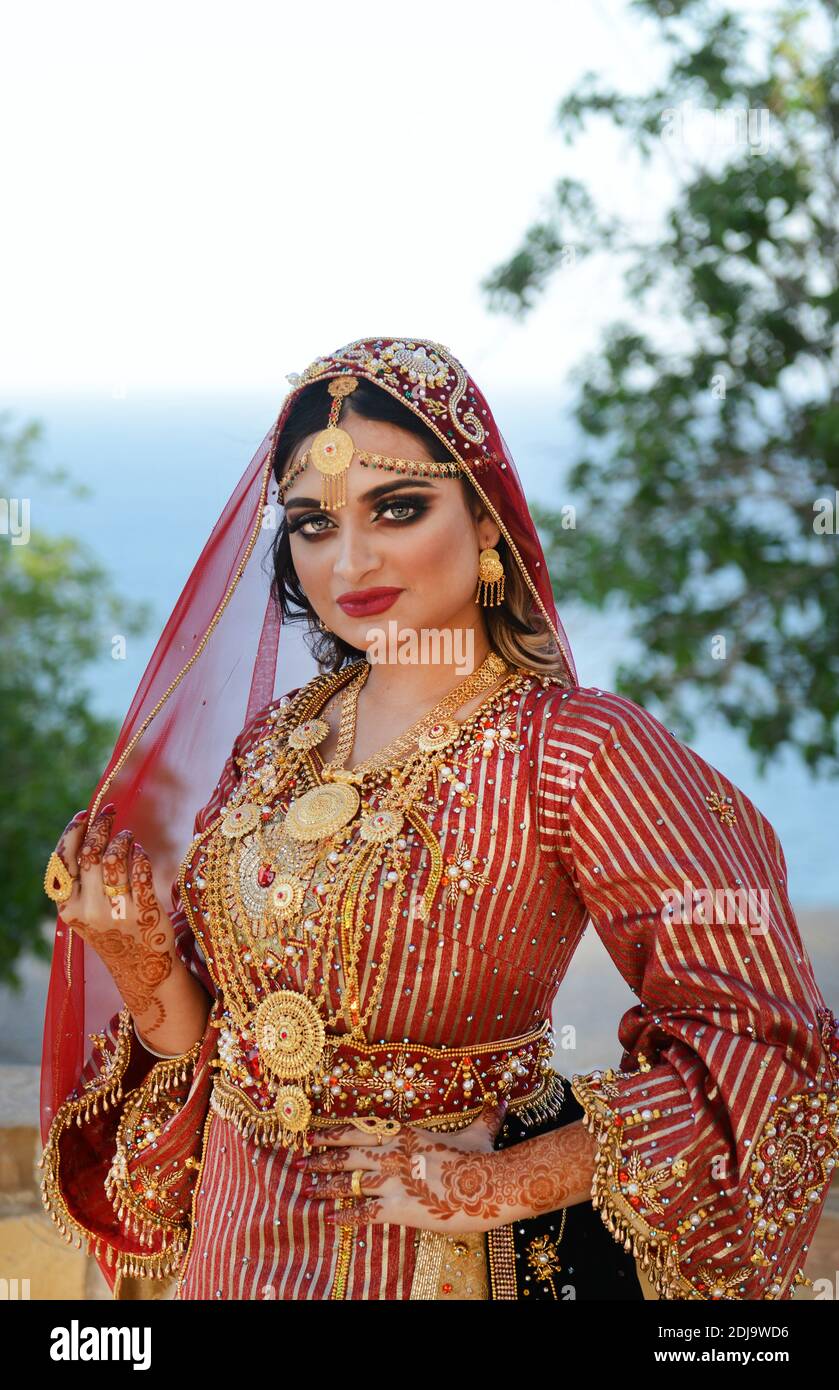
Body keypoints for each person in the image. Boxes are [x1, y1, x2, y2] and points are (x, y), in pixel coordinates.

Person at [39, 336, 838, 1302]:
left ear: (487, 520)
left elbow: (762, 1038)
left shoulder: (576, 750)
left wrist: (493, 1182)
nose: (352, 560)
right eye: (311, 524)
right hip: (235, 1257)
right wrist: (137, 956)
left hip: (436, 1267)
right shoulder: (273, 746)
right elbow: (218, 1042)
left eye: (399, 508)